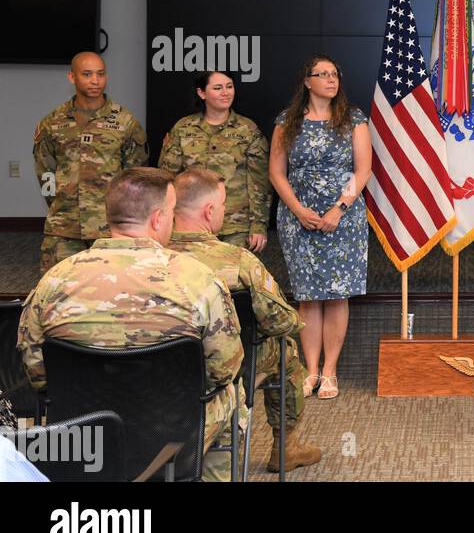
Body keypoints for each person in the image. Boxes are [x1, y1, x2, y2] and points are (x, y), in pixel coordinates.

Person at [17, 167, 242, 481]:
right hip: (171, 431)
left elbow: (36, 371)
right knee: (234, 395)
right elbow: (223, 368)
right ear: (157, 219)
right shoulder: (198, 279)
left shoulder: (54, 281)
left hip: (81, 433)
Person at [168, 168, 321, 473]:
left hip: (155, 373)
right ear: (209, 211)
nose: (225, 211)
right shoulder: (237, 262)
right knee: (286, 349)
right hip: (227, 370)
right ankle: (285, 448)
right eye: (224, 205)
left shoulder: (151, 256)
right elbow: (280, 321)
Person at [269, 55, 372, 401]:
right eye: (322, 74)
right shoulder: (287, 121)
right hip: (298, 220)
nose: (330, 79)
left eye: (334, 74)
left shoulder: (354, 119)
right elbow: (276, 173)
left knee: (337, 294)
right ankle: (310, 370)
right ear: (307, 81)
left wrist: (338, 209)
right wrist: (298, 210)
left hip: (343, 219)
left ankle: (330, 371)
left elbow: (362, 171)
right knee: (308, 296)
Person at [33, 52, 148, 272]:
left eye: (101, 74)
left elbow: (135, 175)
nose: (95, 81)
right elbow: (45, 173)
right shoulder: (53, 122)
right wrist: (62, 204)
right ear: (72, 77)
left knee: (112, 291)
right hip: (64, 228)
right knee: (58, 292)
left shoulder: (125, 122)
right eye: (87, 74)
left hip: (111, 228)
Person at [159, 71, 271, 253]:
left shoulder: (248, 130)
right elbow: (167, 177)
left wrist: (259, 225)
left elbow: (259, 182)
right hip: (189, 225)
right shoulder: (183, 128)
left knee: (233, 278)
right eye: (218, 88)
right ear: (202, 93)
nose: (225, 93)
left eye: (229, 87)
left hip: (235, 227)